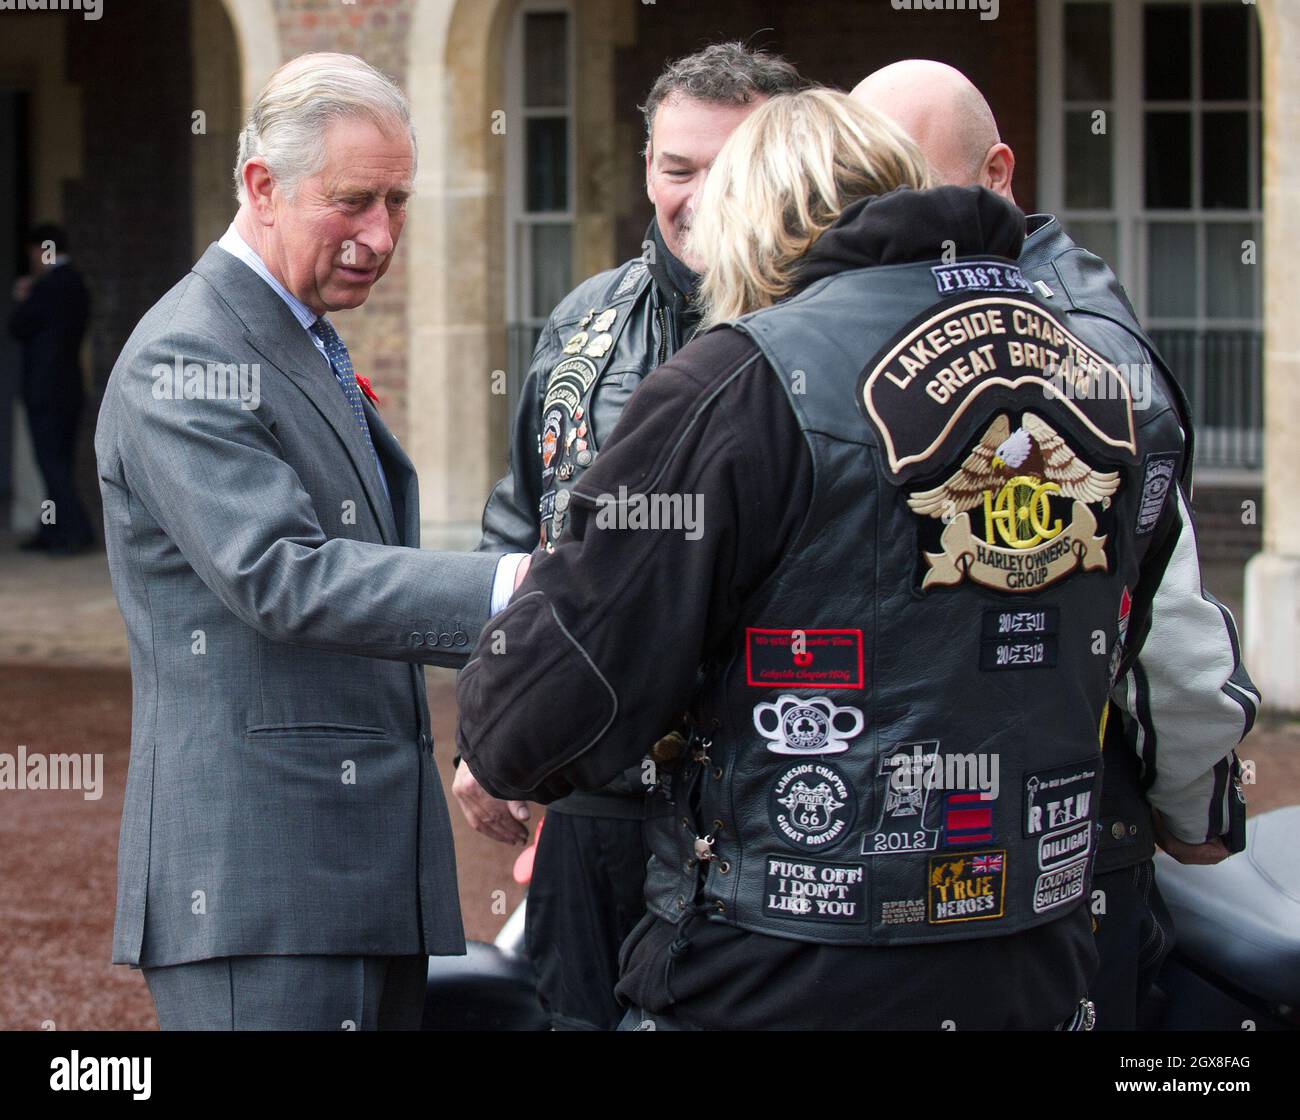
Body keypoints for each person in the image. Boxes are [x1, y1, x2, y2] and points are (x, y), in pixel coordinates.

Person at [458, 87, 1208, 1030]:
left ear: (753, 227)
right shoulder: (1094, 370)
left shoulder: (741, 379)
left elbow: (534, 716)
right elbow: (1147, 631)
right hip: (1034, 953)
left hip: (785, 961)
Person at [95, 53, 525, 1030]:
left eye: (399, 203)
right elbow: (283, 575)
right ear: (260, 185)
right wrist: (515, 587)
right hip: (259, 890)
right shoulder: (187, 352)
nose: (382, 236)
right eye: (354, 202)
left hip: (345, 884)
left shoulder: (292, 337)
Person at [851, 59, 1259, 1029]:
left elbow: (1163, 635)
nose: (881, 221)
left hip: (1069, 854)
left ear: (997, 172)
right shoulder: (874, 322)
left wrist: (1200, 812)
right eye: (859, 190)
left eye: (909, 186)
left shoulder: (1086, 360)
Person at [453, 41, 805, 1031]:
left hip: (760, 812)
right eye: (674, 167)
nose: (694, 197)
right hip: (593, 808)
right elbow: (516, 529)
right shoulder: (582, 325)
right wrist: (497, 725)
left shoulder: (824, 331)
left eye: (726, 169)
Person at [8, 222, 94, 555]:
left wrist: (24, 296)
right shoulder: (77, 285)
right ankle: (52, 528)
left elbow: (18, 326)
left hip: (45, 392)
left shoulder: (47, 287)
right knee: (58, 464)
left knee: (51, 466)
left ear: (42, 250)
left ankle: (74, 532)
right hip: (70, 388)